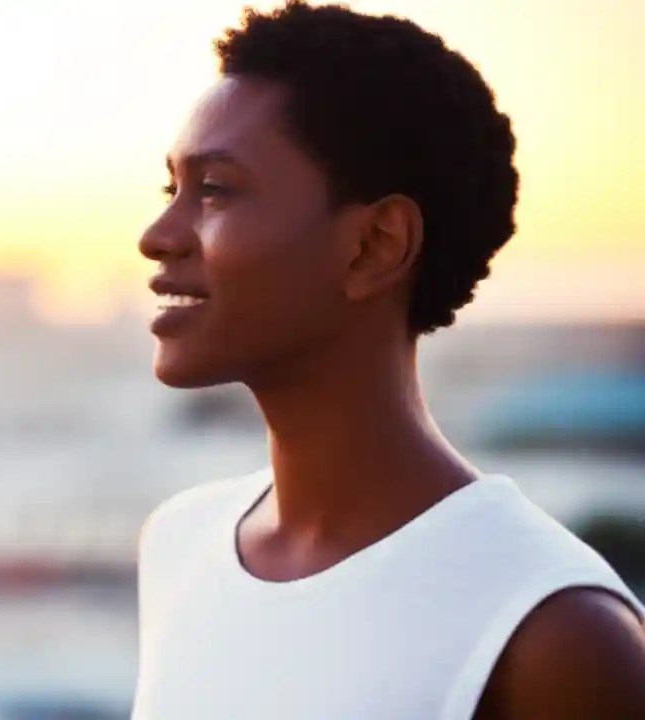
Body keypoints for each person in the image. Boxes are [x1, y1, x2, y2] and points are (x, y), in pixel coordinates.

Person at [132, 3, 645, 718]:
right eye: (172, 189)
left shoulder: (554, 635)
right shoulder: (178, 544)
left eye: (214, 189)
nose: (157, 236)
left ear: (376, 246)